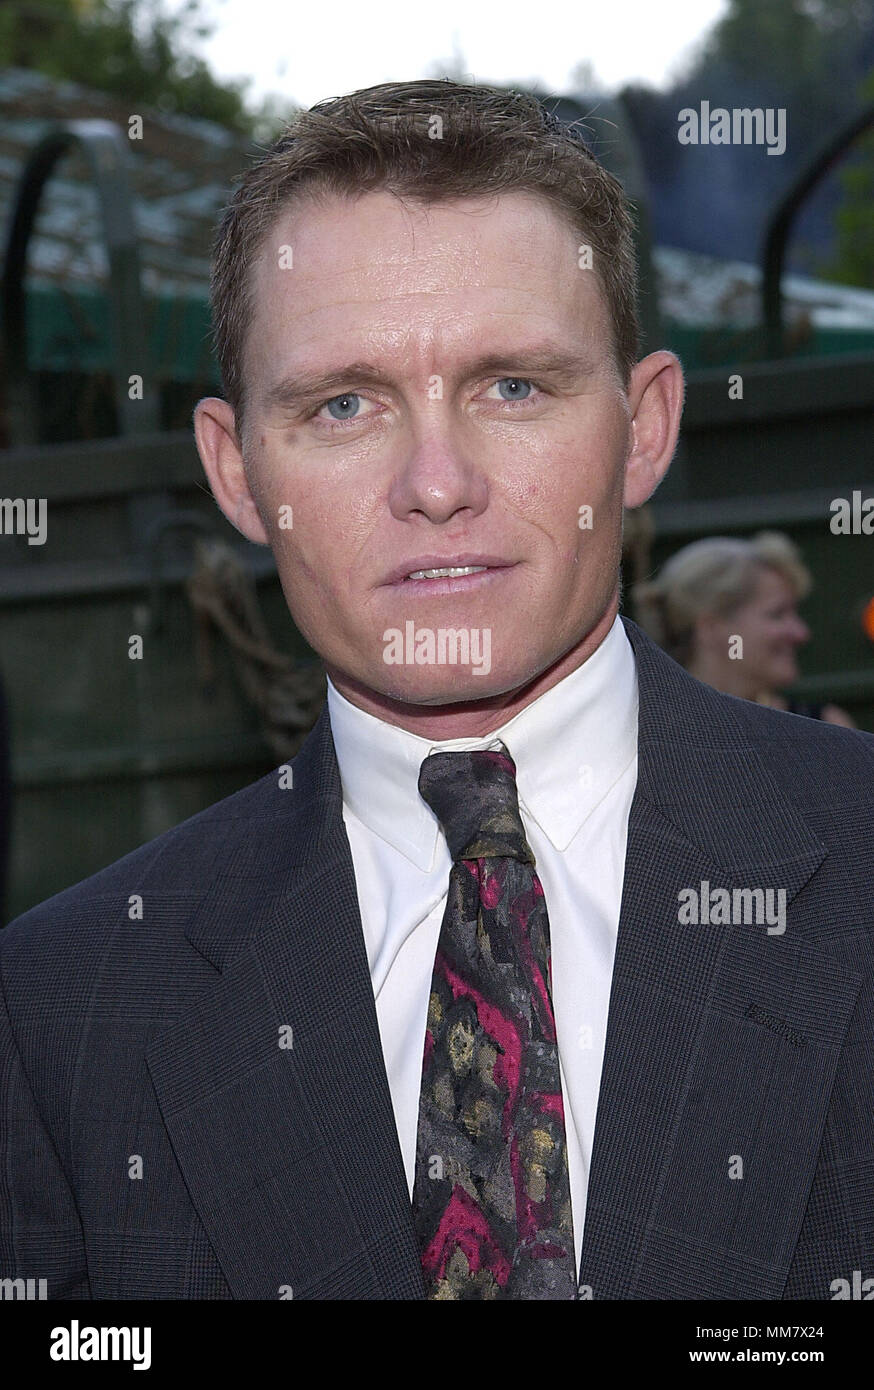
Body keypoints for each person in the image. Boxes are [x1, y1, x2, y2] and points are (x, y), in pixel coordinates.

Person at [1, 79, 872, 1302]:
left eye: (511, 385)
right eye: (343, 404)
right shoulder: (59, 1014)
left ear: (644, 428)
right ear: (236, 472)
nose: (437, 481)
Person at [633, 531, 856, 726]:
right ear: (711, 627)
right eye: (777, 614)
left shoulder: (824, 727)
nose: (801, 633)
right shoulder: (648, 730)